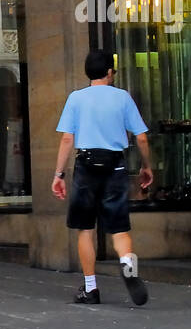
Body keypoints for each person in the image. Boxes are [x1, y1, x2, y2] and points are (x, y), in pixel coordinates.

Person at [52, 49, 152, 306]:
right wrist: (146, 166)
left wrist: (59, 174)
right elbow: (140, 136)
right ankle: (127, 263)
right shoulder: (123, 97)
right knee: (119, 228)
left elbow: (66, 138)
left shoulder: (76, 98)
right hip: (115, 166)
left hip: (86, 165)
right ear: (109, 72)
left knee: (86, 228)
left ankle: (90, 289)